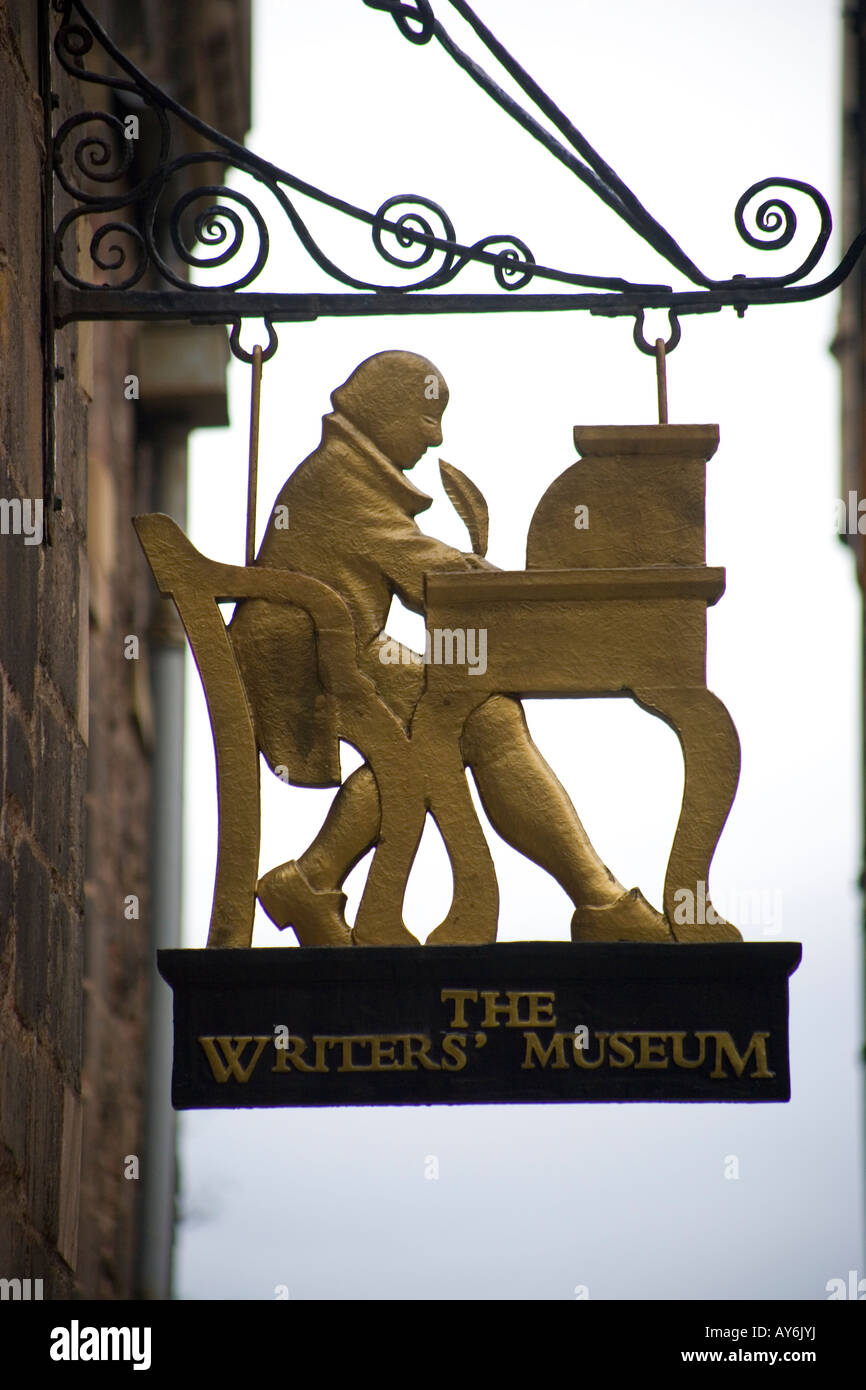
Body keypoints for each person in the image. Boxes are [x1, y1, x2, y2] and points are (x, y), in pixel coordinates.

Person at [229, 349, 674, 944]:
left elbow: (414, 560)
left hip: (337, 646)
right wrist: (508, 583)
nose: (435, 438)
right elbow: (421, 570)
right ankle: (600, 903)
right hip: (309, 656)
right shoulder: (340, 476)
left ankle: (311, 880)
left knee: (469, 720)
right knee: (481, 718)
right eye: (426, 418)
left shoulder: (350, 472)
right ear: (383, 409)